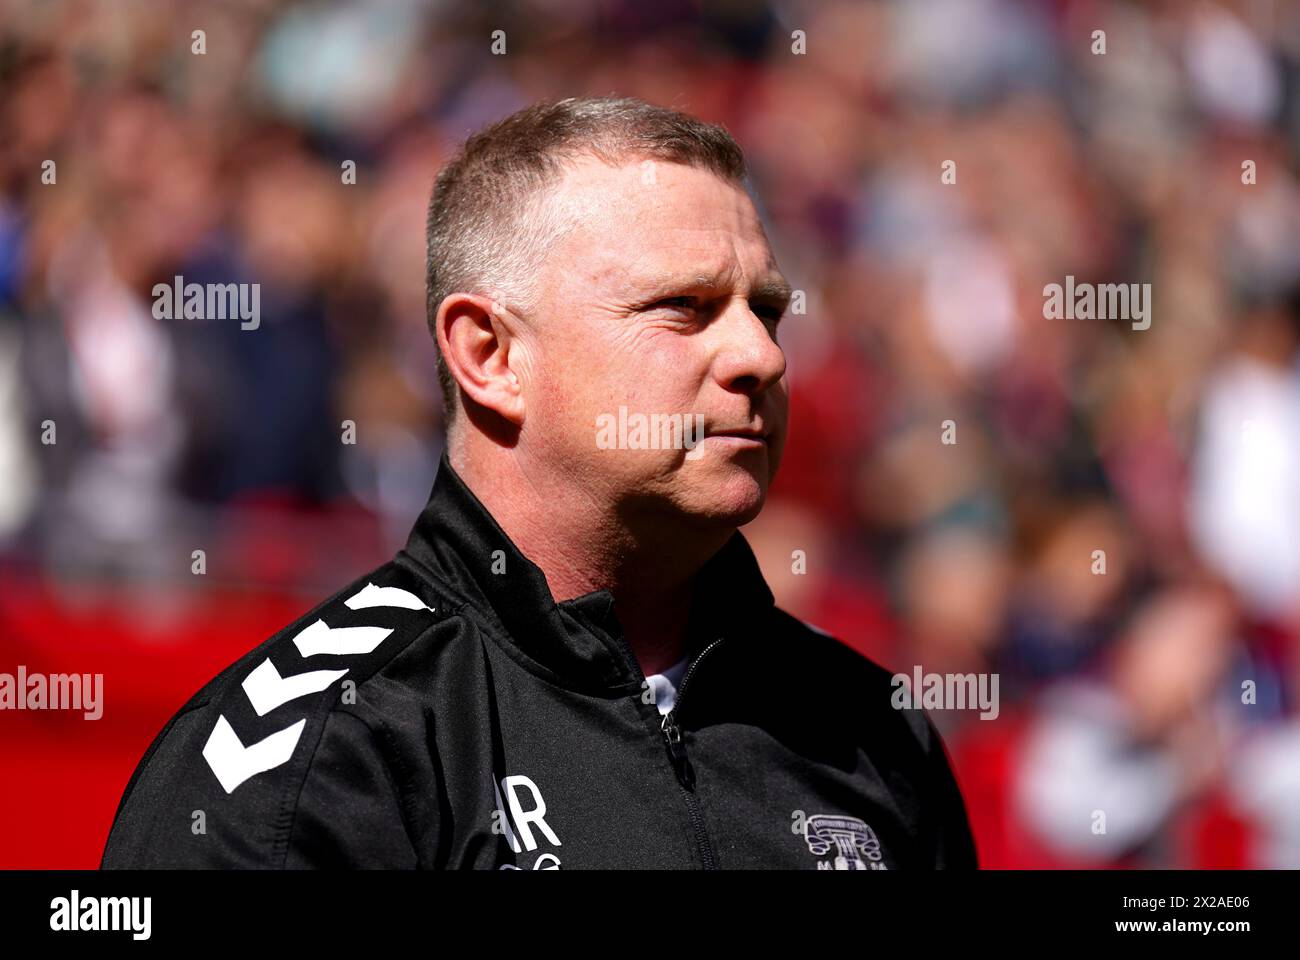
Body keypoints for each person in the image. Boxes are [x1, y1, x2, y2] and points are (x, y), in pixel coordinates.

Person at [101, 96, 977, 870]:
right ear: (491, 355)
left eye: (768, 309)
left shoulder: (870, 731)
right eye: (683, 307)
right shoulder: (323, 748)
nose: (761, 356)